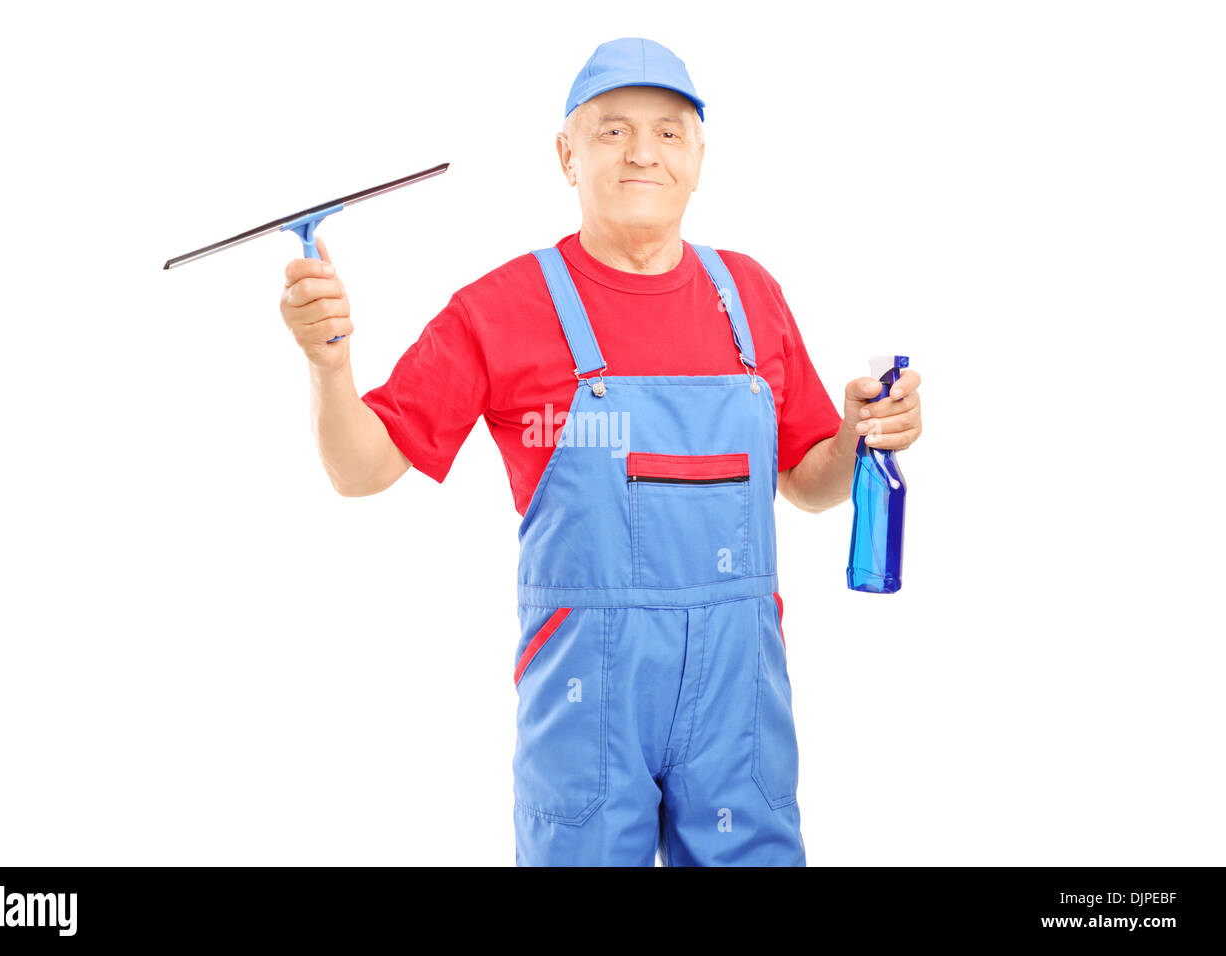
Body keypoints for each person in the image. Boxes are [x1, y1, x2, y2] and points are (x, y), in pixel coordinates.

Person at [278, 37, 923, 866]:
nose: (642, 151)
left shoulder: (750, 296)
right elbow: (359, 468)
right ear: (566, 155)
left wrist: (860, 435)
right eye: (612, 130)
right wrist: (330, 366)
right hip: (589, 701)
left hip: (739, 696)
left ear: (698, 159)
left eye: (667, 131)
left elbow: (807, 483)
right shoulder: (498, 309)